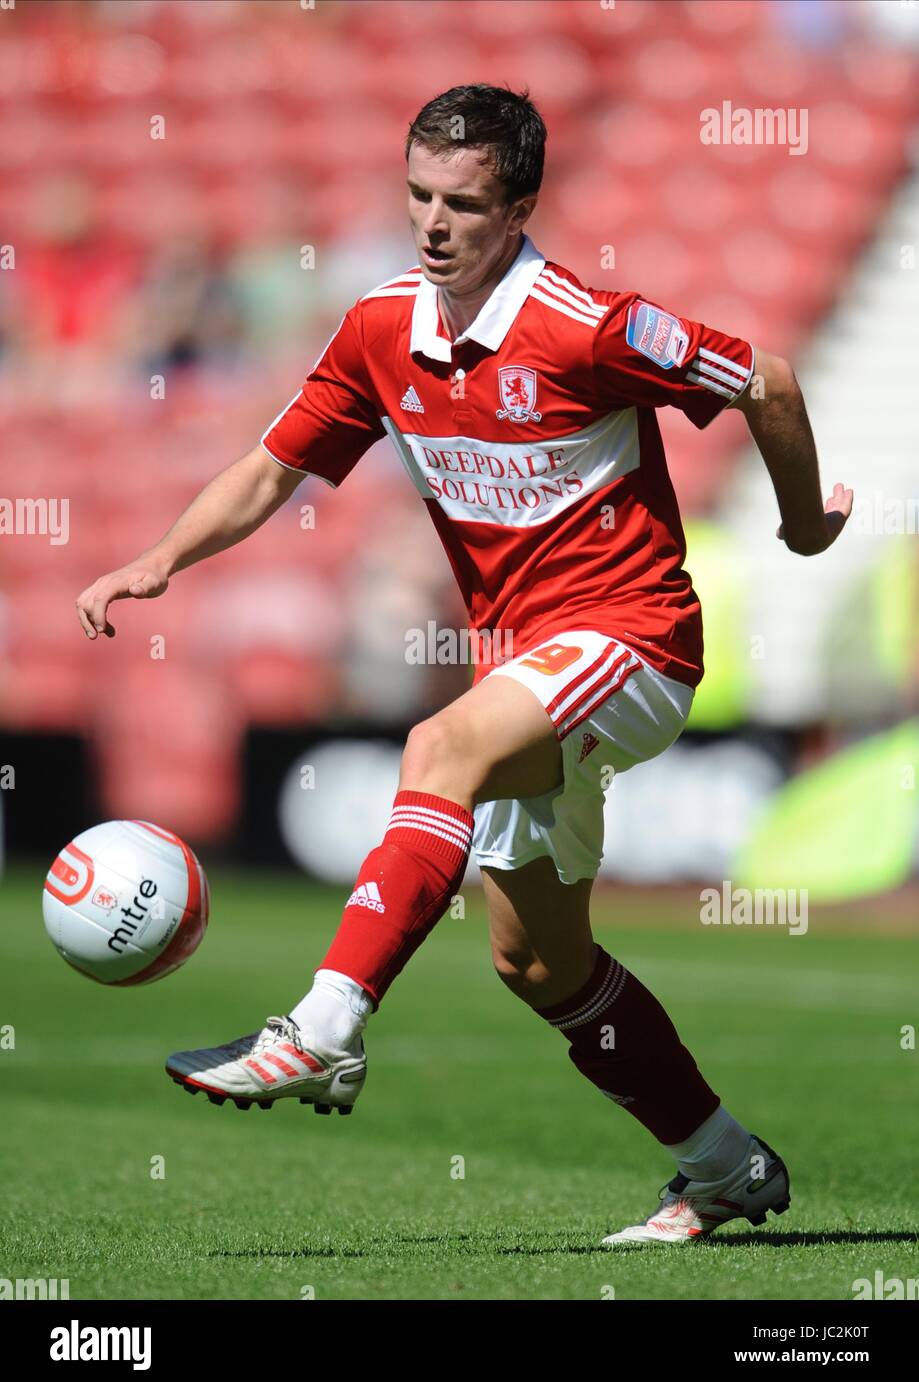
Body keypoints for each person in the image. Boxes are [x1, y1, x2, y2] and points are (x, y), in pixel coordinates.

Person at [75, 85, 853, 1245]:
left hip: (632, 637)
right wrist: (160, 557)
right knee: (536, 962)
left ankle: (322, 1028)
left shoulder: (587, 325)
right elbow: (271, 466)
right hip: (529, 663)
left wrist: (801, 524)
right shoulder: (382, 327)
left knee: (436, 745)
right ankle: (723, 1164)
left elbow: (770, 382)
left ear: (522, 206)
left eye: (465, 205)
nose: (434, 224)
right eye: (418, 196)